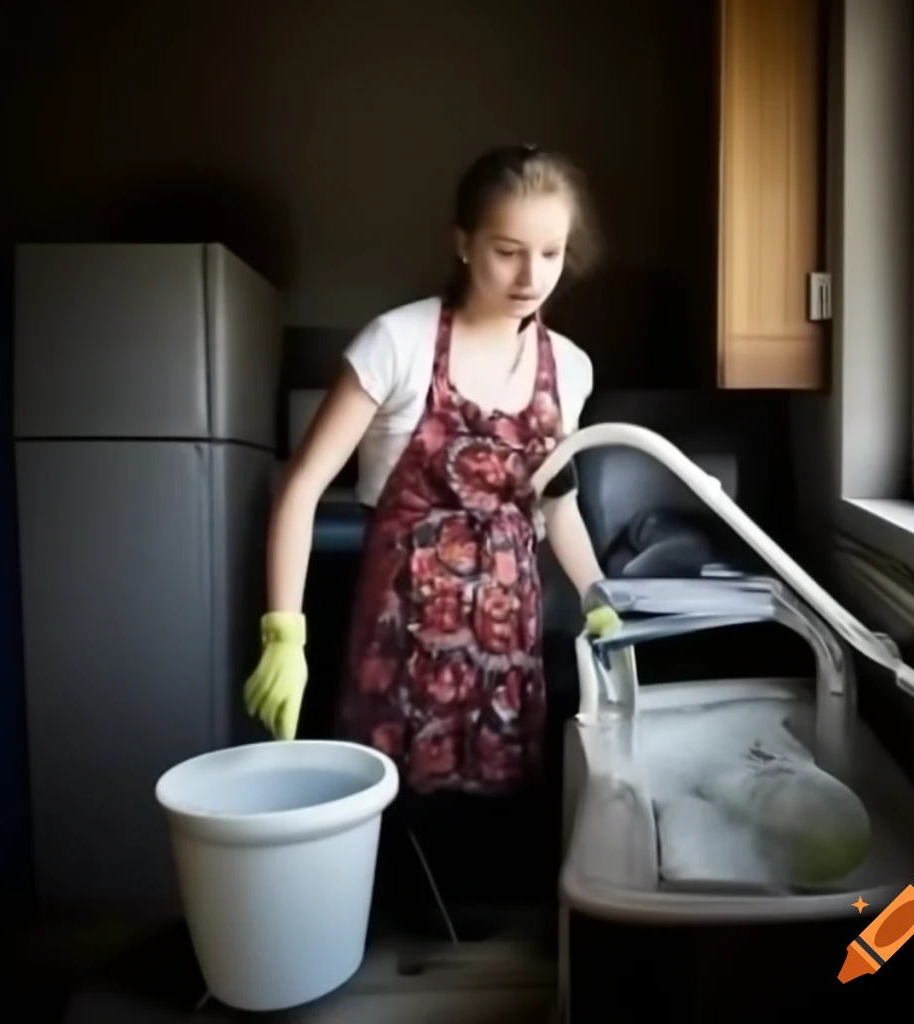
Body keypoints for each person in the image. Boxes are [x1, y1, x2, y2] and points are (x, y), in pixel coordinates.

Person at [242, 143, 620, 936]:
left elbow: (557, 508)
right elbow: (302, 486)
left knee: (495, 835)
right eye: (507, 251)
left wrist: (599, 600)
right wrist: (284, 632)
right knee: (394, 828)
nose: (531, 276)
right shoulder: (398, 343)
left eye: (550, 254)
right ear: (462, 241)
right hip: (401, 638)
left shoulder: (570, 368)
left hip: (505, 642)